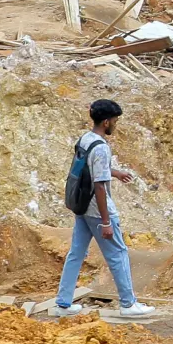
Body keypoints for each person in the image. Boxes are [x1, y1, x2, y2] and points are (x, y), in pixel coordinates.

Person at [53, 100, 154, 318]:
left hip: (81, 207)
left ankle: (62, 303)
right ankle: (128, 304)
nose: (116, 125)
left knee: (76, 254)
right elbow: (99, 185)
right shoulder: (101, 148)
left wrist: (114, 173)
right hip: (98, 211)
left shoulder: (86, 139)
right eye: (115, 121)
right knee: (118, 253)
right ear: (106, 121)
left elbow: (89, 169)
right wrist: (106, 222)